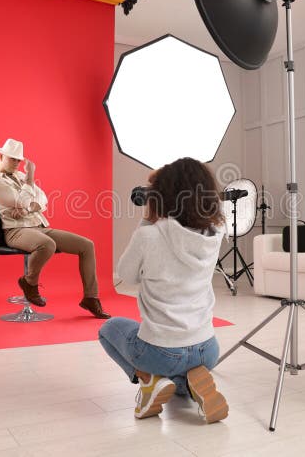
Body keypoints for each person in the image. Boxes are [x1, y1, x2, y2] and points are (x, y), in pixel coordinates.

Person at [98, 157, 228, 423]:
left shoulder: (149, 235)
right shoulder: (216, 232)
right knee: (182, 368)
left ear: (160, 196)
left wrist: (148, 217)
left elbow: (125, 276)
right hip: (208, 348)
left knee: (109, 329)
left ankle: (149, 379)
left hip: (161, 351)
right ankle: (193, 382)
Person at [0, 138, 110, 319]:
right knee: (47, 245)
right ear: (1, 156)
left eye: (18, 160)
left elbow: (42, 199)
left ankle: (91, 298)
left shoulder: (21, 178)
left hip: (39, 226)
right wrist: (30, 182)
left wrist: (29, 206)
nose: (16, 163)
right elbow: (24, 200)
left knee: (86, 245)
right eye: (12, 158)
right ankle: (29, 283)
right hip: (15, 231)